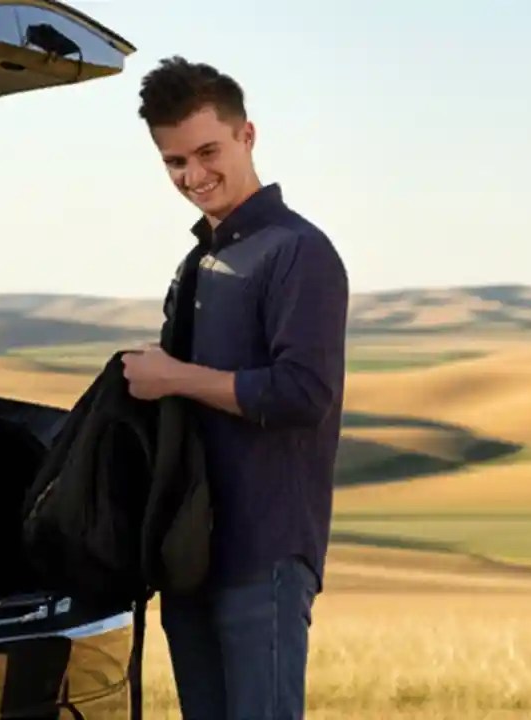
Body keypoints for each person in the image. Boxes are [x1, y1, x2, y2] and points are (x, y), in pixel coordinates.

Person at [121, 56, 349, 719]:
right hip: (190, 552)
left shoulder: (297, 251)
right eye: (174, 162)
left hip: (265, 548)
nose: (193, 176)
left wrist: (174, 377)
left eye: (207, 151)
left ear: (247, 135)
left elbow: (303, 394)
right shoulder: (201, 260)